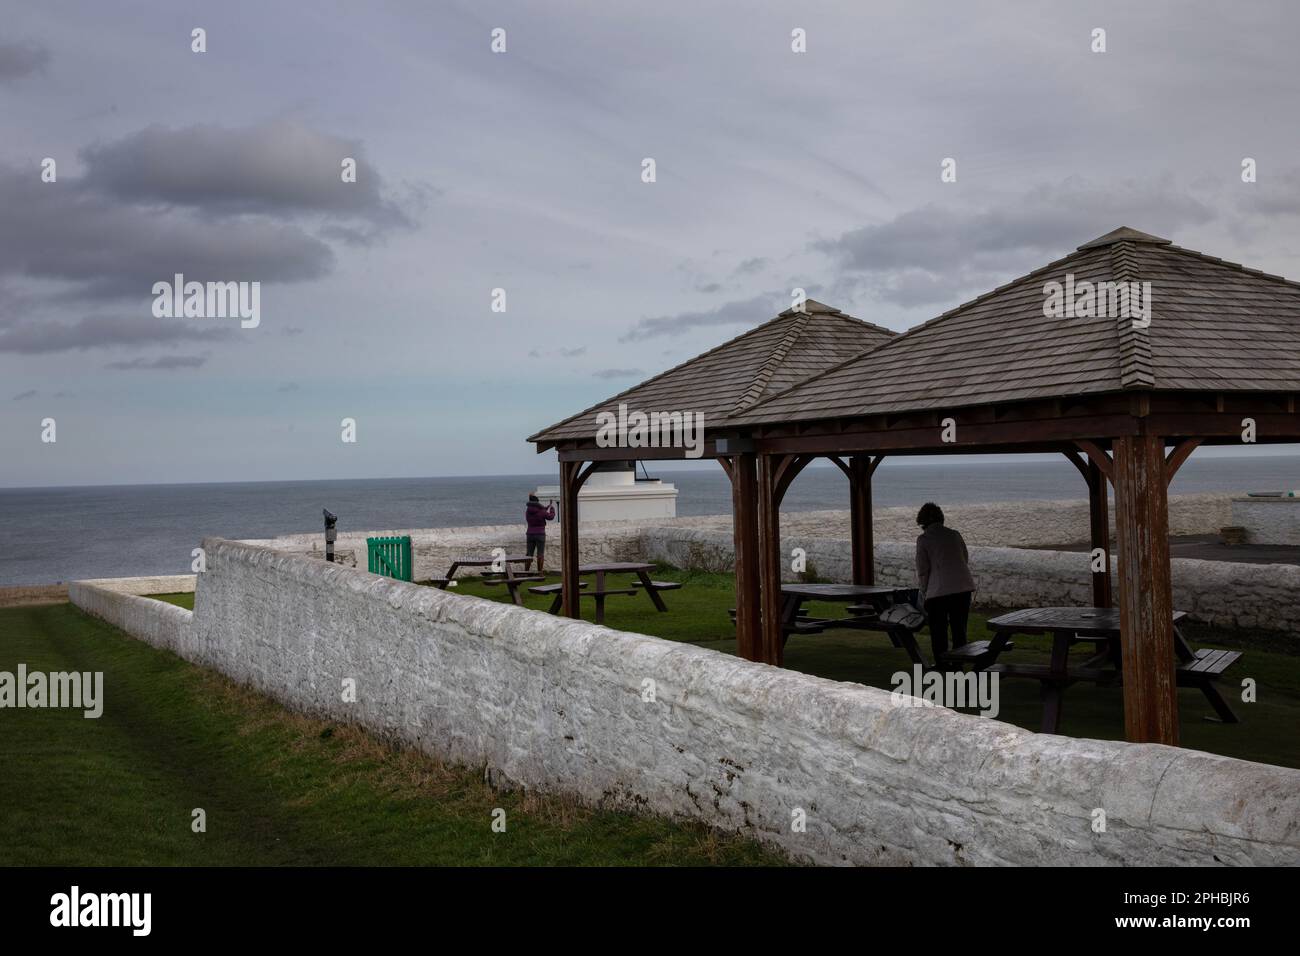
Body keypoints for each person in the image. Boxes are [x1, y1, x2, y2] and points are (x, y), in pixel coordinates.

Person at [914, 502, 976, 663]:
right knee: (959, 630)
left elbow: (923, 570)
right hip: (962, 588)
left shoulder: (924, 539)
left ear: (922, 521)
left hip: (938, 592)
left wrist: (924, 591)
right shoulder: (954, 534)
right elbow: (964, 558)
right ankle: (959, 664)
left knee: (938, 631)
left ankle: (942, 663)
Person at [525, 493, 556, 574]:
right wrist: (552, 509)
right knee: (540, 554)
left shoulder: (527, 511)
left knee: (529, 554)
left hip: (530, 534)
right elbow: (550, 517)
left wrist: (547, 507)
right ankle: (540, 573)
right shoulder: (541, 511)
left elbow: (540, 511)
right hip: (540, 534)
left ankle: (526, 572)